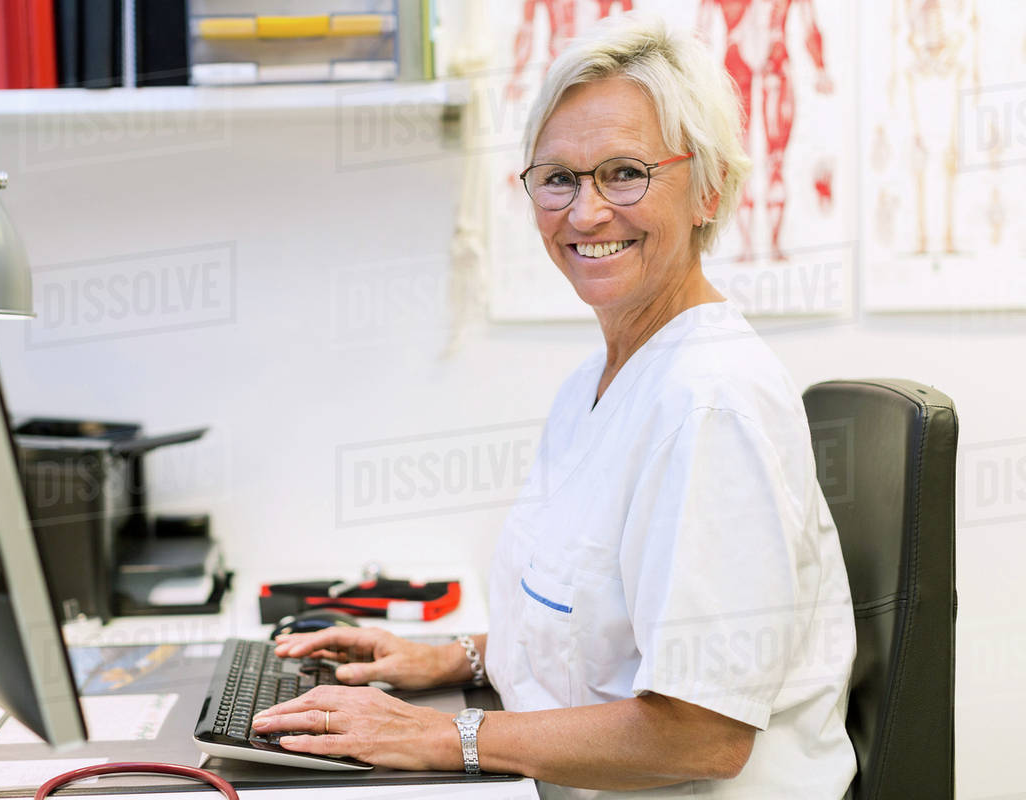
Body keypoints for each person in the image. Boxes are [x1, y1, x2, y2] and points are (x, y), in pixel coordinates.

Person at [252, 14, 857, 798]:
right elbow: (602, 631)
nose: (585, 213)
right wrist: (460, 657)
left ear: (708, 188)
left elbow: (703, 734)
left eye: (625, 172)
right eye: (558, 177)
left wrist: (446, 735)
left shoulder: (711, 405)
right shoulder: (602, 382)